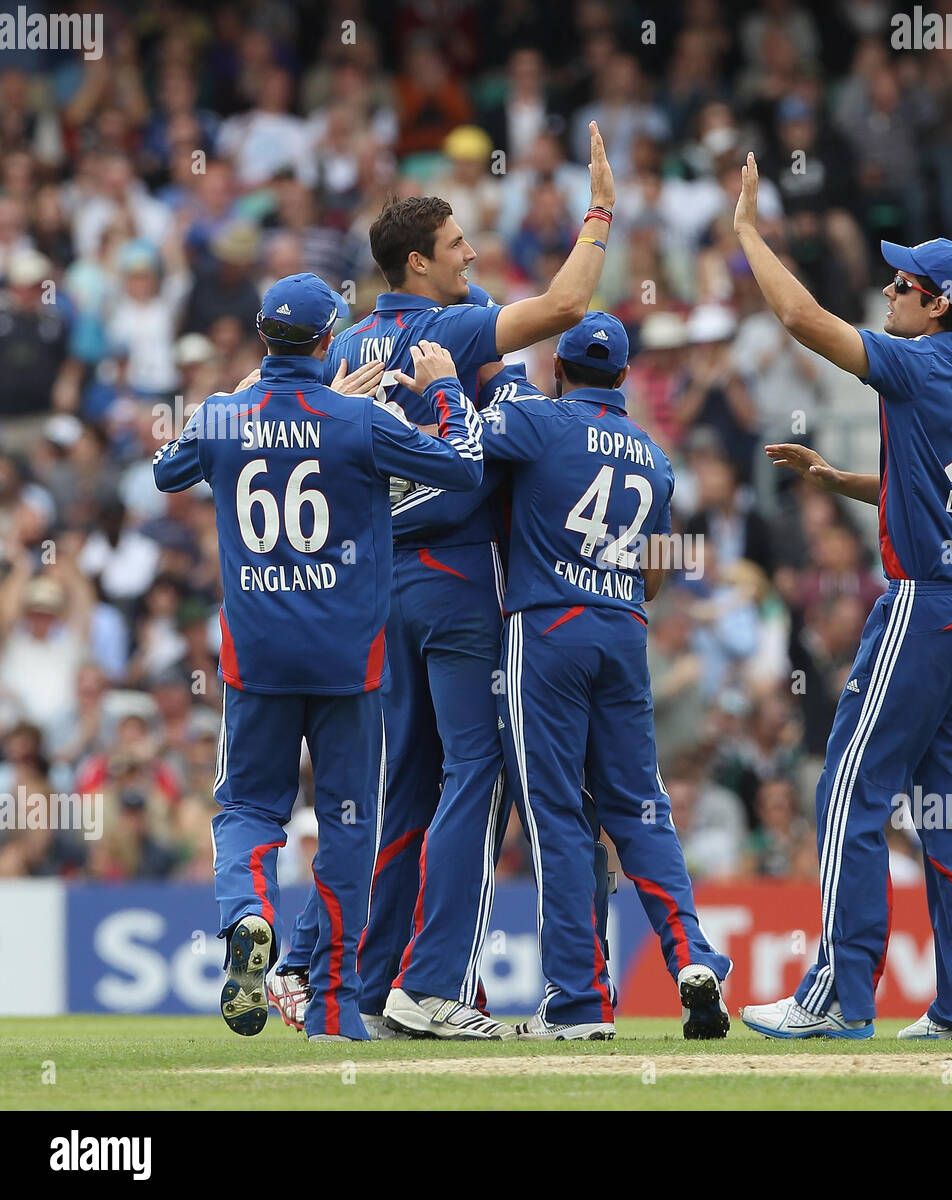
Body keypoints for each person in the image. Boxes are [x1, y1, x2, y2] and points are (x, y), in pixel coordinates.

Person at [270, 123, 617, 1041]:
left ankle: (346, 979)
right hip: (457, 582)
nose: (472, 254)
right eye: (459, 244)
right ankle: (432, 984)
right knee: (479, 772)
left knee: (401, 792)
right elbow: (570, 302)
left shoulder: (343, 350)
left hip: (371, 593)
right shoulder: (449, 329)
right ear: (418, 263)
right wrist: (599, 209)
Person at [153, 272, 483, 1041]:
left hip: (257, 656)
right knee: (348, 824)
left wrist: (237, 394)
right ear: (331, 339)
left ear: (262, 336)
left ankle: (249, 914)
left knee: (248, 807)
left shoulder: (224, 417)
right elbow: (464, 467)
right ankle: (333, 1003)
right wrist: (444, 391)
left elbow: (167, 469)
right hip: (347, 657)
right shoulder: (357, 419)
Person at [733, 152, 952, 1041]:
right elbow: (935, 489)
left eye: (903, 285)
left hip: (929, 601)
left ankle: (837, 994)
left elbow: (801, 319)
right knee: (945, 810)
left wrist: (748, 234)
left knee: (848, 790)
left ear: (937, 306)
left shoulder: (918, 365)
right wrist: (839, 480)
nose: (888, 293)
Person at [469, 312, 733, 1040]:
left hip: (548, 629)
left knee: (554, 814)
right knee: (641, 809)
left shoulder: (539, 420)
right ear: (622, 375)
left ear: (559, 368)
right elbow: (656, 574)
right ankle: (691, 956)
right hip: (623, 632)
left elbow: (465, 443)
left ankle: (580, 1002)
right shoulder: (656, 456)